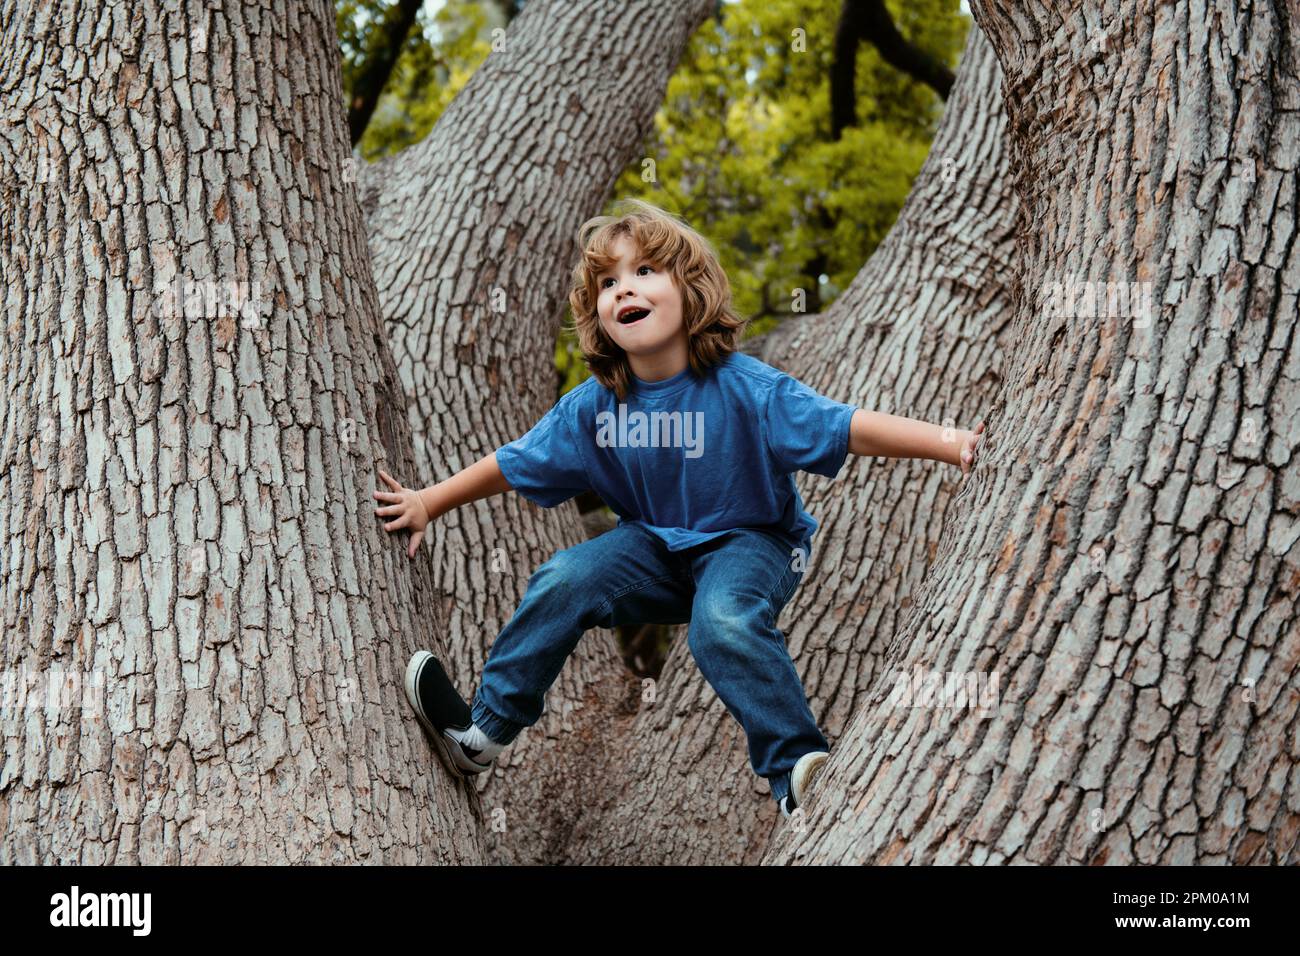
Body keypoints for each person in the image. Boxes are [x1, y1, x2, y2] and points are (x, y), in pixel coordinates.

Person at [375, 198, 985, 819]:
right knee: (563, 579)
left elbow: (850, 426)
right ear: (599, 316)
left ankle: (798, 773)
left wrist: (948, 441)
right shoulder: (593, 408)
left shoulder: (746, 388)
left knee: (719, 623)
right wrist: (428, 501)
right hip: (655, 548)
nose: (624, 290)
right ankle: (481, 737)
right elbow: (511, 463)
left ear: (690, 290)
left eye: (644, 272)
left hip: (753, 543)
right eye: (608, 283)